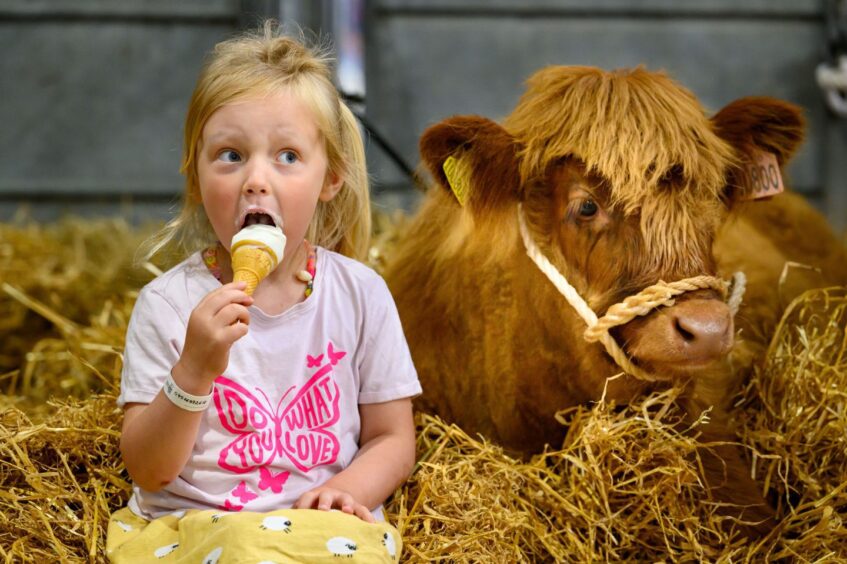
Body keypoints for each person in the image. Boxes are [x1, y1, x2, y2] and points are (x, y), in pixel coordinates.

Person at [106, 21, 421, 563]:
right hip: (199, 526)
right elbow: (149, 468)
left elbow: (393, 438)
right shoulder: (167, 304)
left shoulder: (362, 295)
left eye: (287, 156)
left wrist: (352, 491)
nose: (255, 178)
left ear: (330, 179)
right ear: (196, 178)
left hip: (319, 531)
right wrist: (194, 371)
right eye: (230, 155)